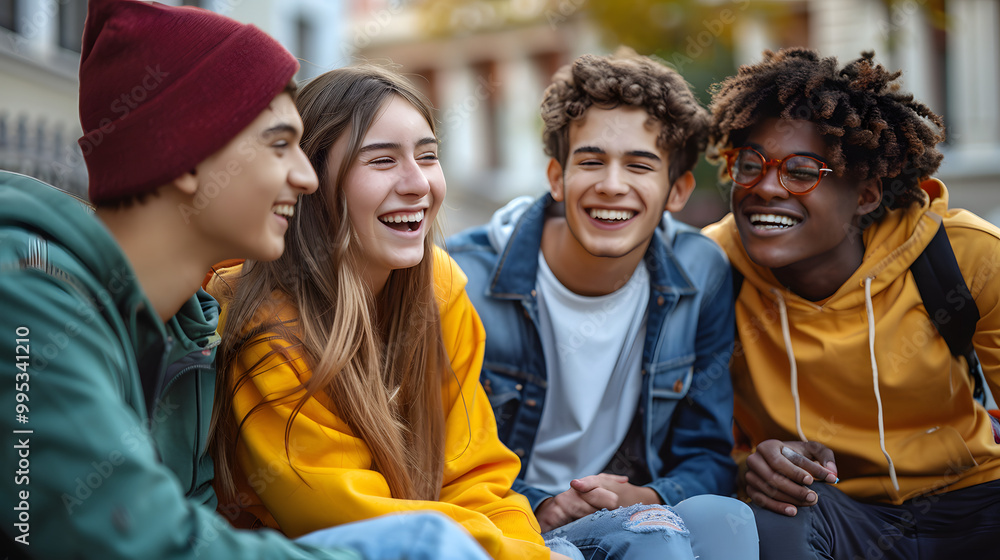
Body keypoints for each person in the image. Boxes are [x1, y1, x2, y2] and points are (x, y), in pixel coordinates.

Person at [0, 1, 494, 559]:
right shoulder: (26, 289)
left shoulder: (189, 333)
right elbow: (134, 539)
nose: (307, 178)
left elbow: (199, 524)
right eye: (281, 145)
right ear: (184, 155)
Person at [206, 64, 578, 560]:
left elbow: (475, 475)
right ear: (310, 179)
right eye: (381, 160)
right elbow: (344, 512)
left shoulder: (441, 290)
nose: (418, 183)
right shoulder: (263, 323)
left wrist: (528, 551)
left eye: (428, 156)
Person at [447, 48, 758, 559]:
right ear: (557, 176)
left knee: (728, 520)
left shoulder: (701, 273)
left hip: (638, 507)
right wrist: (542, 504)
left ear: (677, 190)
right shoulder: (465, 277)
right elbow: (440, 457)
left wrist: (650, 495)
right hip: (506, 515)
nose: (612, 186)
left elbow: (704, 452)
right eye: (591, 161)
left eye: (640, 165)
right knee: (657, 540)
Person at [703, 47, 1000, 559]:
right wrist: (751, 463)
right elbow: (686, 442)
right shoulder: (710, 270)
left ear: (865, 195)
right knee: (772, 519)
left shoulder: (965, 255)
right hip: (833, 515)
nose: (765, 189)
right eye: (750, 165)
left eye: (801, 171)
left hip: (975, 499)